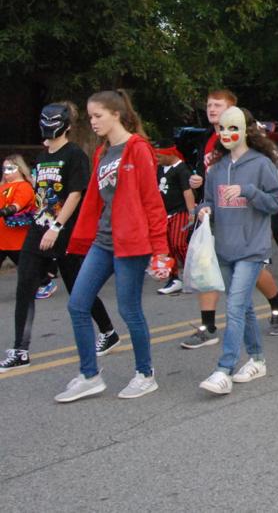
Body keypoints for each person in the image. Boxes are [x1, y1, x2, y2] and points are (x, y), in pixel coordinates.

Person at [54, 90, 170, 402]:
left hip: (131, 243)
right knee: (77, 304)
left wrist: (161, 251)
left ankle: (145, 374)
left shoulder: (137, 149)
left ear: (116, 114)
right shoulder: (103, 152)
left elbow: (152, 202)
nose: (92, 122)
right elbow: (95, 201)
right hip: (103, 241)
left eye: (97, 115)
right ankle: (90, 375)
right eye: (90, 116)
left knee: (128, 309)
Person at [1, 103, 118, 373]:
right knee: (24, 288)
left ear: (65, 125)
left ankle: (108, 331)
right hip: (37, 229)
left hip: (64, 232)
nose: (47, 126)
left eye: (52, 121)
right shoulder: (42, 156)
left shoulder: (74, 154)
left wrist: (56, 226)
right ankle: (20, 349)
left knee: (79, 288)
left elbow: (76, 193)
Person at [182, 89, 278, 349]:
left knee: (252, 274)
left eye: (217, 105)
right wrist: (198, 186)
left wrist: (248, 190)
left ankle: (276, 305)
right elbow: (208, 178)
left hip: (248, 225)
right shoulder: (209, 140)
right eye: (208, 105)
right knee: (209, 267)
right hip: (219, 219)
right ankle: (208, 326)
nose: (211, 109)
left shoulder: (248, 141)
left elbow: (271, 195)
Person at [195, 107, 278, 394]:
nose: (226, 134)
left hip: (252, 249)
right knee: (243, 308)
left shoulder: (260, 164)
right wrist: (203, 209)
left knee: (233, 307)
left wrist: (249, 191)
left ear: (246, 130)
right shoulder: (217, 168)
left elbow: (276, 203)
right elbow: (206, 200)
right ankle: (257, 359)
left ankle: (224, 369)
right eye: (221, 129)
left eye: (232, 128)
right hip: (224, 248)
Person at [155, 142, 195, 295]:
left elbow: (187, 191)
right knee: (167, 247)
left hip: (180, 212)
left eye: (159, 155)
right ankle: (174, 278)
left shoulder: (182, 169)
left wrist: (192, 212)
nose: (156, 158)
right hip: (164, 213)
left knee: (179, 243)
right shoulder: (159, 169)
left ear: (169, 154)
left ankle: (191, 275)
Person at [0, 155, 35, 267]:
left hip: (17, 241)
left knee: (30, 274)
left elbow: (17, 206)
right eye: (4, 168)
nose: (6, 171)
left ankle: (45, 284)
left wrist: (4, 211)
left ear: (20, 168)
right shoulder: (2, 186)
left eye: (10, 168)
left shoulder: (24, 186)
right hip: (2, 239)